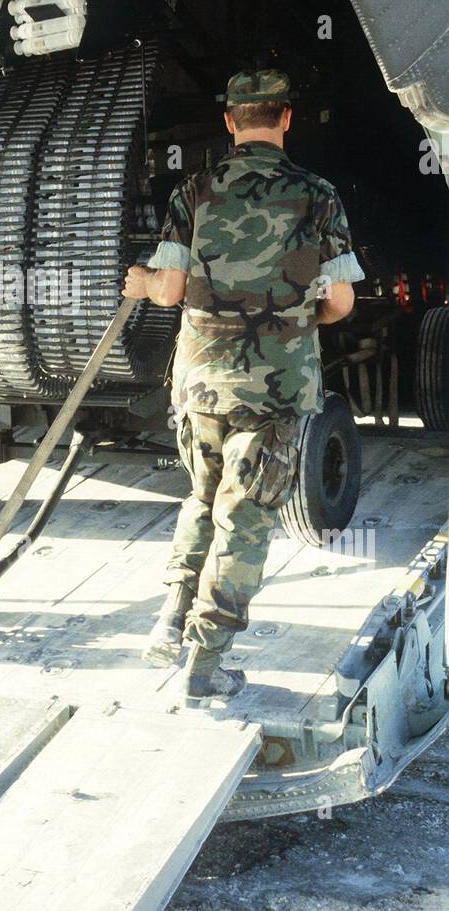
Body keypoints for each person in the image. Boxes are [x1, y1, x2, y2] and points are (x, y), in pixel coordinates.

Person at [123, 70, 364, 707]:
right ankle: (205, 663)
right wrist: (296, 318)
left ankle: (171, 616)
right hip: (276, 388)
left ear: (230, 122)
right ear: (285, 118)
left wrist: (142, 282)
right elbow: (341, 302)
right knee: (246, 518)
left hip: (201, 381)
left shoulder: (194, 191)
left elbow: (169, 292)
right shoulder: (318, 195)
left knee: (203, 497)